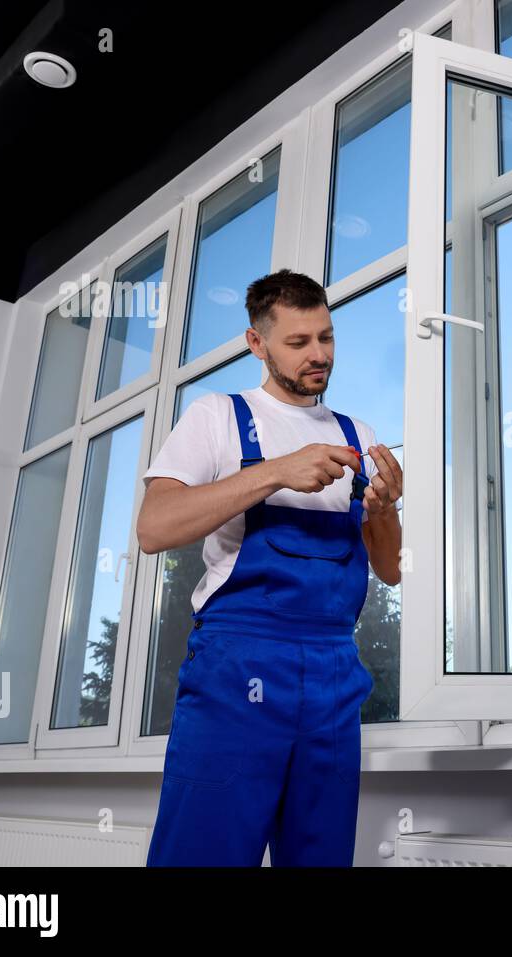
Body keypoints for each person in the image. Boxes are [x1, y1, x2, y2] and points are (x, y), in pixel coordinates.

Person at [137, 268, 403, 866]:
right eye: (299, 342)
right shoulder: (217, 417)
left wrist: (385, 508)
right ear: (257, 343)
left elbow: (389, 568)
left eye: (327, 338)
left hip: (334, 676)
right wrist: (277, 471)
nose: (319, 356)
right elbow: (155, 528)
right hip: (238, 669)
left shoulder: (356, 434)